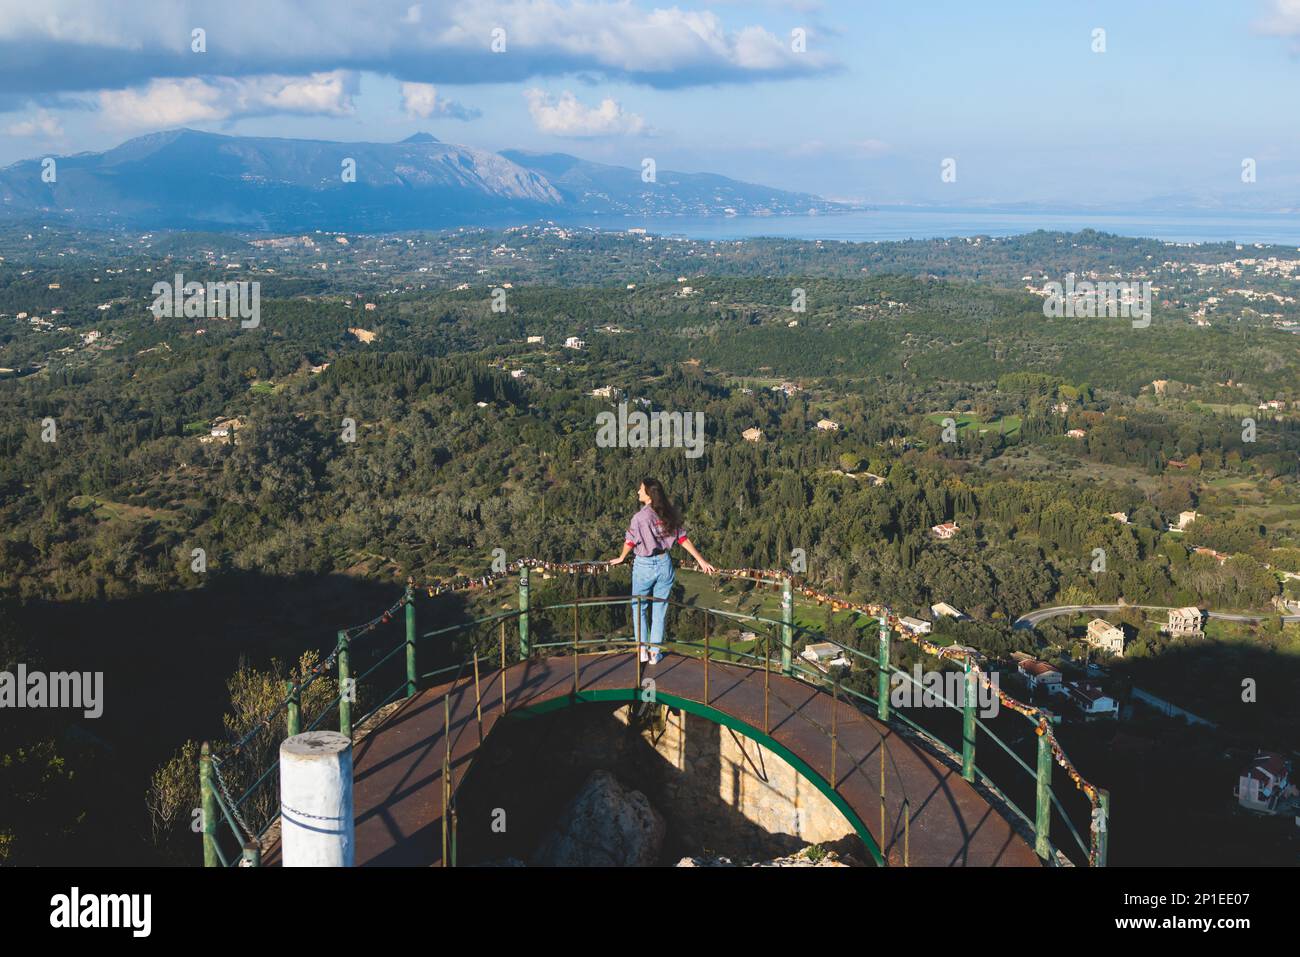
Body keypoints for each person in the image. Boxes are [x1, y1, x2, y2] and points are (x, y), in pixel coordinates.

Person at [610, 478, 716, 665]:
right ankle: (654, 653)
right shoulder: (668, 513)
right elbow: (682, 539)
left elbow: (630, 541)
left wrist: (621, 557)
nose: (637, 492)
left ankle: (642, 649)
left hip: (644, 565)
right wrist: (701, 561)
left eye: (641, 490)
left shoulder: (639, 518)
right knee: (660, 609)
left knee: (639, 607)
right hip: (664, 563)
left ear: (649, 495)